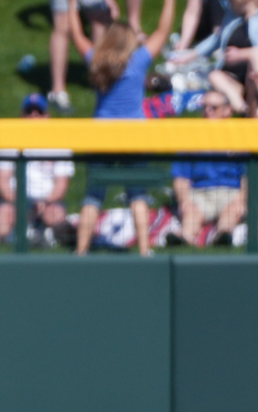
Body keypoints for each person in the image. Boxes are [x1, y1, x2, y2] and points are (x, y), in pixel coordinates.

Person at [71, 0, 175, 255]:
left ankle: (80, 251)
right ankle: (144, 250)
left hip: (101, 136)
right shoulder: (138, 62)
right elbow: (163, 31)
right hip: (134, 136)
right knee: (138, 194)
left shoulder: (96, 60)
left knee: (93, 195)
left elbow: (77, 35)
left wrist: (72, 5)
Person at [0, 94, 75, 247]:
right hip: (14, 200)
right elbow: (3, 183)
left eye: (39, 112)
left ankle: (51, 240)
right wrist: (21, 203)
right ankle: (3, 243)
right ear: (21, 116)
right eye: (29, 112)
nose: (33, 116)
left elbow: (61, 185)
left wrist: (44, 203)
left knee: (57, 216)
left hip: (48, 201)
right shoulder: (7, 140)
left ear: (47, 116)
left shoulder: (60, 142)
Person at [172, 92, 248, 245]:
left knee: (231, 211)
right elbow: (181, 177)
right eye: (205, 107)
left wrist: (241, 200)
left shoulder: (239, 137)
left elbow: (247, 177)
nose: (208, 111)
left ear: (227, 111)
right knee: (191, 212)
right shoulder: (191, 138)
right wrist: (183, 200)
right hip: (200, 193)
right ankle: (184, 238)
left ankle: (223, 236)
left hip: (230, 192)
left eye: (214, 107)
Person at [170, 0, 258, 115]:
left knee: (256, 55)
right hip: (233, 76)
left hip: (256, 70)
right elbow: (216, 39)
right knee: (214, 75)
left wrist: (241, 54)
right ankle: (243, 109)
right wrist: (187, 57)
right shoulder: (231, 16)